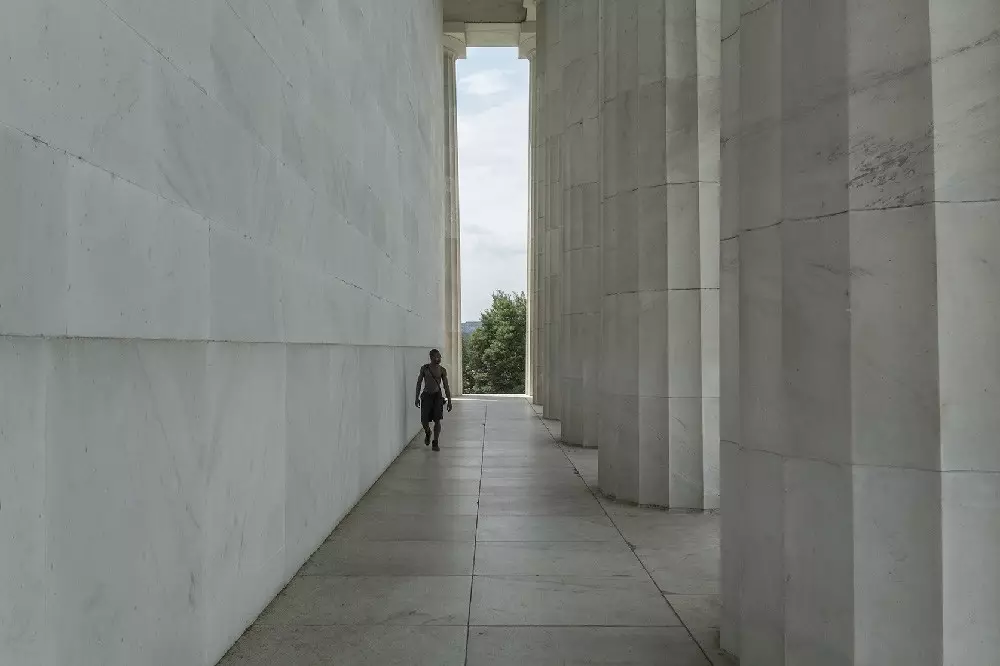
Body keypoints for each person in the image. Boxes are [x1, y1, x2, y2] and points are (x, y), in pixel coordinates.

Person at [415, 349, 452, 451]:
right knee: (424, 421)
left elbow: (446, 386)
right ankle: (428, 432)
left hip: (437, 396)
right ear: (431, 357)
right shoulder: (425, 368)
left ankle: (435, 442)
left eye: (439, 356)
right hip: (426, 396)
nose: (438, 358)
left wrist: (449, 400)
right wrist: (416, 397)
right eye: (436, 357)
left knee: (437, 420)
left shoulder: (442, 370)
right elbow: (419, 383)